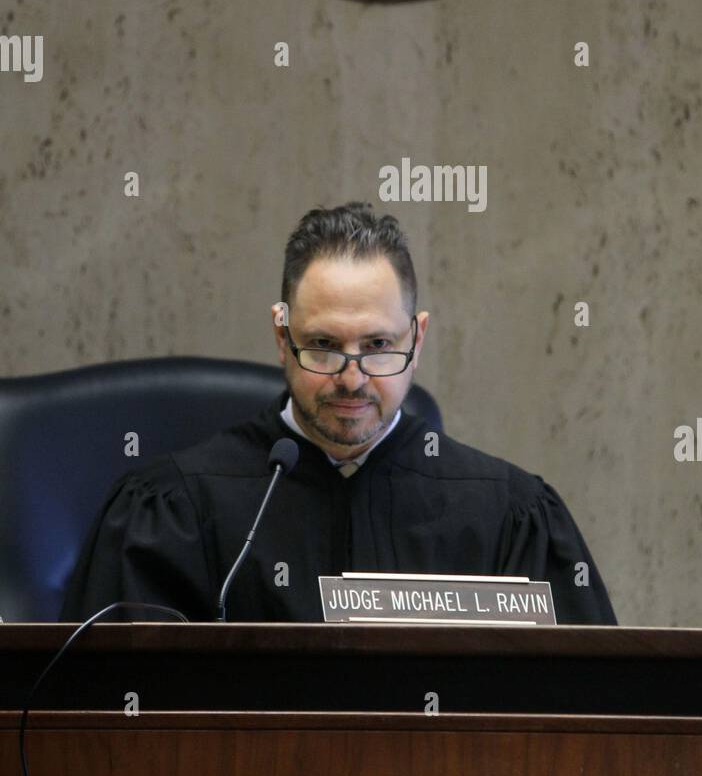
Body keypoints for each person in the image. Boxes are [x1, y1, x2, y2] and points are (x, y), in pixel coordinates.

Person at [61, 203, 616, 625]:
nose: (351, 378)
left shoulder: (508, 517)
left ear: (417, 339)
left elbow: (577, 728)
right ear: (282, 337)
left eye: (378, 344)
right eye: (323, 344)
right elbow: (107, 727)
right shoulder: (173, 511)